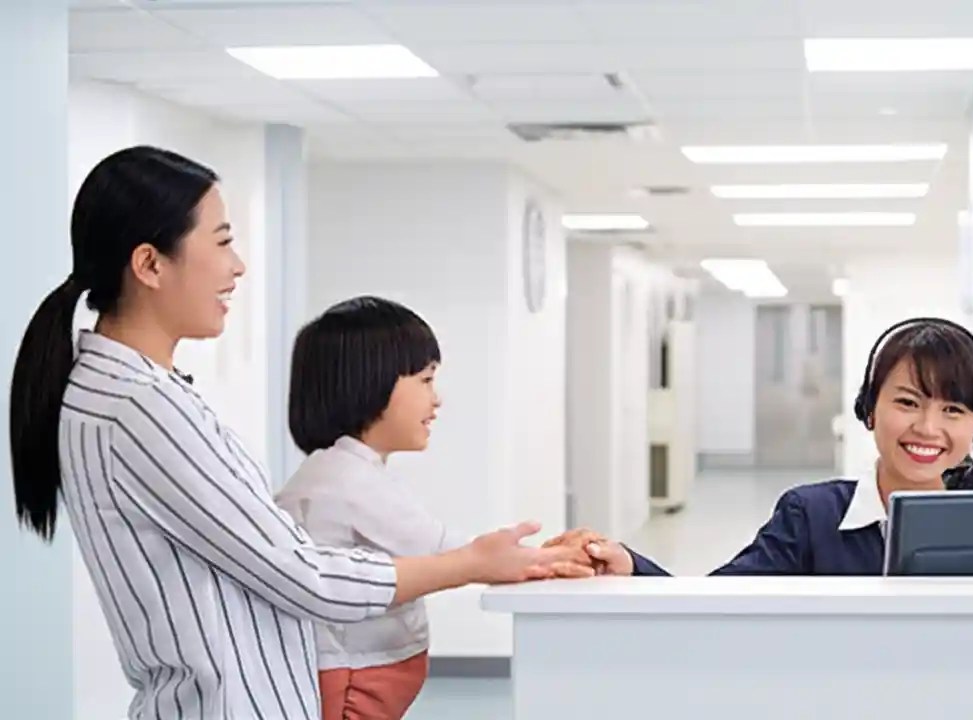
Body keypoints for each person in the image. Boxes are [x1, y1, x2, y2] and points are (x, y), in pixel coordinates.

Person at [7, 146, 589, 720]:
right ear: (150, 264)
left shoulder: (114, 392)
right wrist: (472, 564)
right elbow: (305, 574)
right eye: (223, 241)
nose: (238, 266)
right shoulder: (138, 409)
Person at [548, 317, 973, 576]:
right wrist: (631, 565)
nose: (927, 427)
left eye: (953, 410)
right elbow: (717, 605)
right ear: (869, 410)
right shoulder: (811, 516)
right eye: (907, 402)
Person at [275, 296, 467, 720]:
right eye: (425, 380)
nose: (437, 401)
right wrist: (541, 559)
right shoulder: (344, 479)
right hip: (351, 683)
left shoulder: (351, 470)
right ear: (370, 384)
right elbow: (447, 551)